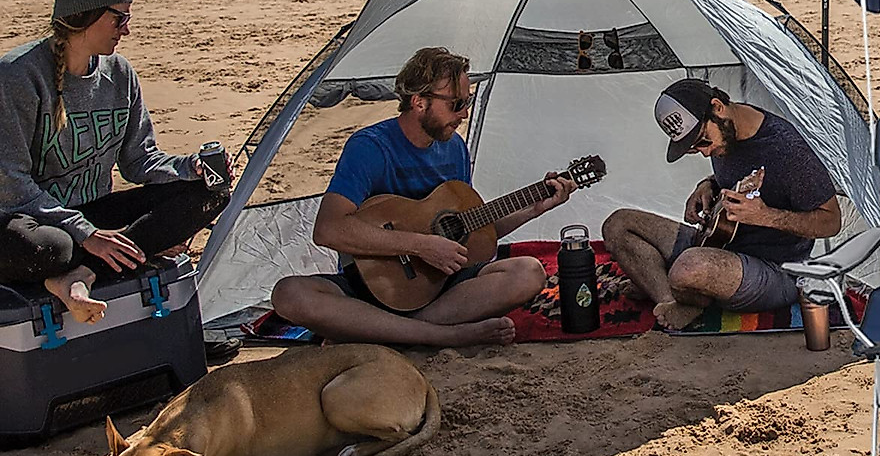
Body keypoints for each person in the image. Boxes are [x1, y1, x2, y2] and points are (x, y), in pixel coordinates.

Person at [271, 46, 577, 348]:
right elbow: (329, 229)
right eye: (457, 103)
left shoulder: (454, 147)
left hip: (438, 289)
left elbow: (471, 231)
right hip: (370, 286)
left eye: (467, 102)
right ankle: (443, 335)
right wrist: (421, 246)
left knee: (527, 272)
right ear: (419, 102)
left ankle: (383, 331)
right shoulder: (370, 148)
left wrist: (533, 209)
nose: (464, 114)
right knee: (289, 294)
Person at [0, 0, 232, 324]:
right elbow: (10, 184)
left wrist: (190, 168)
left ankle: (82, 276)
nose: (127, 29)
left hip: (91, 211)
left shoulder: (120, 74)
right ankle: (109, 256)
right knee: (49, 249)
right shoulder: (17, 76)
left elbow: (140, 161)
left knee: (209, 194)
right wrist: (87, 234)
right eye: (119, 17)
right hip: (28, 221)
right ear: (84, 16)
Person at [602, 79, 842, 331]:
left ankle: (675, 288)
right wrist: (707, 185)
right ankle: (671, 300)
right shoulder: (727, 133)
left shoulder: (789, 150)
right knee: (618, 225)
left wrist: (765, 216)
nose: (704, 152)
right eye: (694, 148)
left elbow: (831, 221)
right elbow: (737, 175)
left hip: (777, 270)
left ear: (717, 107)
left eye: (703, 141)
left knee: (687, 268)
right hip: (719, 242)